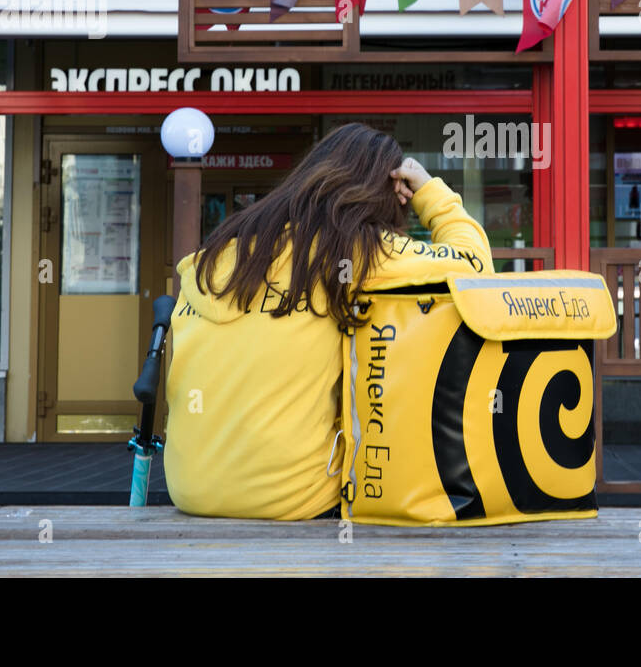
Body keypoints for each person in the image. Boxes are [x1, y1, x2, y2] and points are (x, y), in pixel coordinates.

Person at [163, 122, 492, 521]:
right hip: (292, 500)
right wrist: (430, 193)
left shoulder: (225, 250)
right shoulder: (356, 249)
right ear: (384, 194)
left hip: (189, 490)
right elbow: (475, 271)